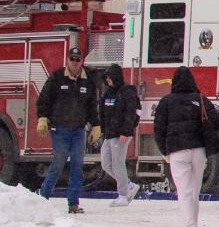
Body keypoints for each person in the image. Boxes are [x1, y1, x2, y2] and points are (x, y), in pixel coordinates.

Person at [153, 66, 219, 227]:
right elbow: (216, 120)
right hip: (199, 151)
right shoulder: (200, 99)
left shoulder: (166, 102)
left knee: (184, 192)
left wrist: (164, 151)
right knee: (194, 192)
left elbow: (159, 128)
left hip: (177, 151)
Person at [35, 45, 100, 214]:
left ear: (82, 61)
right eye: (72, 59)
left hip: (78, 130)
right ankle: (43, 198)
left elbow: (92, 106)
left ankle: (73, 203)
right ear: (67, 60)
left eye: (78, 60)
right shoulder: (57, 78)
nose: (75, 63)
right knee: (58, 163)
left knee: (77, 166)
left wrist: (96, 125)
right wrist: (42, 117)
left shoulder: (88, 81)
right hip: (59, 129)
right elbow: (44, 99)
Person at [97, 64, 142, 207]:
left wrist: (126, 131)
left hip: (121, 135)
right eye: (106, 78)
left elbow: (132, 113)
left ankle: (123, 195)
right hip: (109, 134)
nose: (108, 80)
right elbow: (103, 113)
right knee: (106, 163)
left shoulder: (127, 92)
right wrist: (103, 131)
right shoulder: (108, 93)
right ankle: (128, 185)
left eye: (109, 77)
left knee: (118, 163)